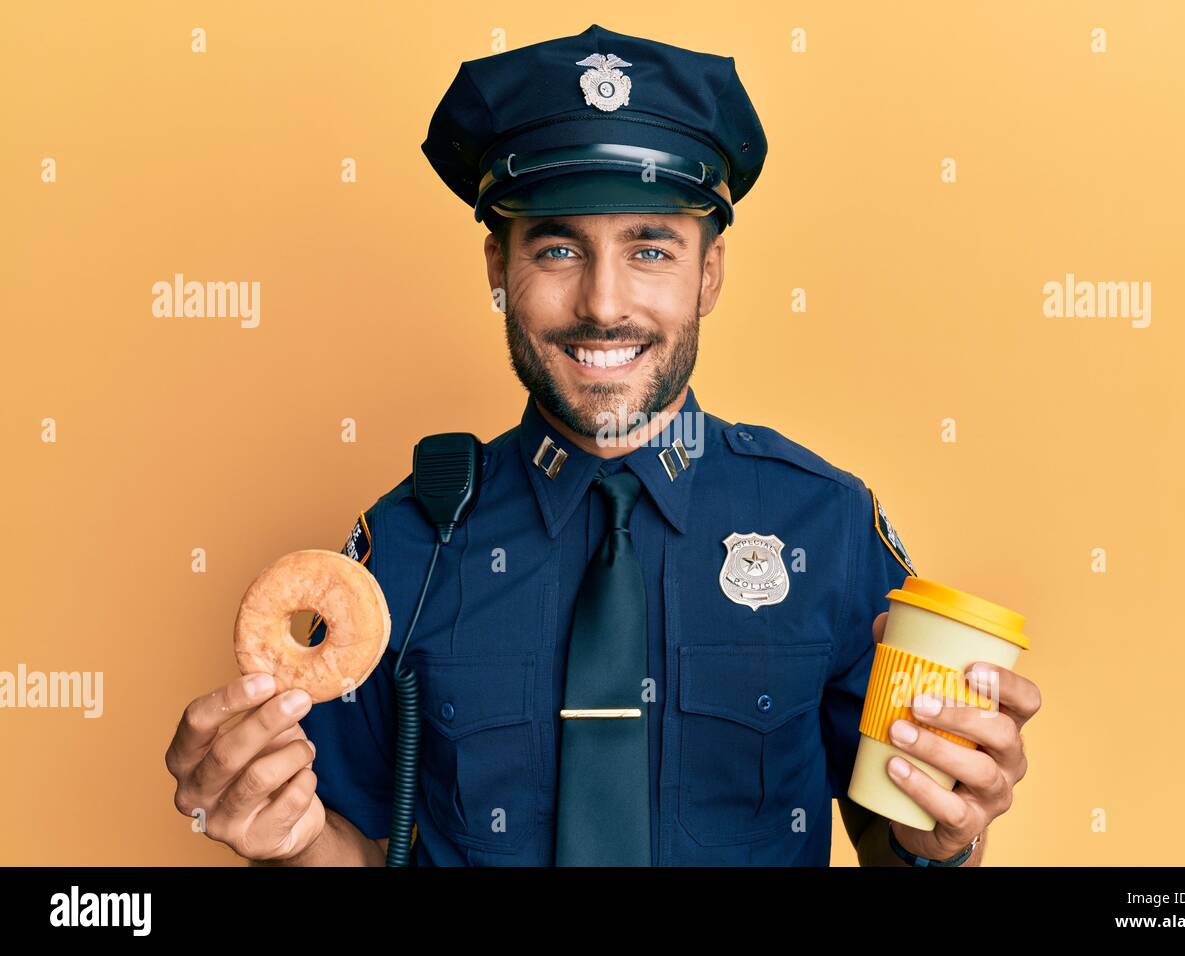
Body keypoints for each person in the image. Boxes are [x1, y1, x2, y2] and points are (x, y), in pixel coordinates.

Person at [166, 23, 1041, 867]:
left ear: (711, 272)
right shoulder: (401, 547)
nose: (603, 305)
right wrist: (284, 837)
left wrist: (944, 839)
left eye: (652, 248)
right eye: (556, 249)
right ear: (496, 269)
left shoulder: (829, 524)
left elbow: (898, 842)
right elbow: (349, 846)